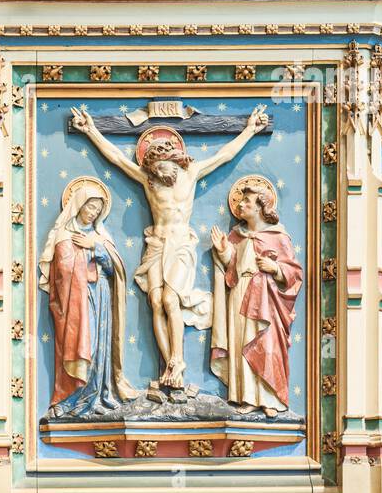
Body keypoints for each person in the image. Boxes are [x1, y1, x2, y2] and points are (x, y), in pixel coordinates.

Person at [70, 104, 269, 389]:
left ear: (174, 159)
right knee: (154, 302)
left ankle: (178, 359)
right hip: (156, 244)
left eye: (163, 166)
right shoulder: (149, 180)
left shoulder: (191, 174)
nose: (161, 172)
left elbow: (224, 155)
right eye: (154, 168)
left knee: (170, 300)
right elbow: (116, 158)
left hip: (180, 245)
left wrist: (250, 129)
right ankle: (169, 369)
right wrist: (90, 130)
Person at [38, 177, 138, 416]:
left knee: (100, 347)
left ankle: (99, 396)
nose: (93, 212)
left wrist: (95, 248)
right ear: (79, 204)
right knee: (84, 345)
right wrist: (85, 255)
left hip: (100, 295)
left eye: (98, 209)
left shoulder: (100, 236)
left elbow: (115, 270)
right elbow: (62, 271)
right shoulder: (64, 235)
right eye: (90, 206)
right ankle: (71, 400)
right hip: (76, 300)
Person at [209, 176, 303, 416]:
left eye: (247, 200)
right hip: (240, 293)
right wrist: (223, 251)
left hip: (265, 298)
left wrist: (276, 269)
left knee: (266, 345)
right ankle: (247, 397)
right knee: (242, 346)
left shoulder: (278, 237)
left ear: (262, 207)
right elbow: (232, 266)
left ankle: (269, 398)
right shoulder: (237, 235)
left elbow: (295, 273)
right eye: (240, 200)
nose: (241, 204)